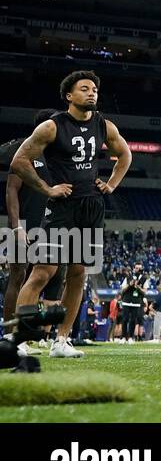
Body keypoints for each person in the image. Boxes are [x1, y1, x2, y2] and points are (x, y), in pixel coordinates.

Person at [12, 71, 133, 359]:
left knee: (78, 274)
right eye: (84, 89)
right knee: (43, 272)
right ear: (69, 96)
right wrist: (47, 188)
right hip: (62, 207)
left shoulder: (104, 125)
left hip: (90, 206)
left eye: (94, 89)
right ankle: (20, 339)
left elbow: (125, 155)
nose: (92, 93)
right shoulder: (52, 127)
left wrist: (112, 184)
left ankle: (61, 341)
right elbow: (19, 161)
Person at [2, 109, 58, 322]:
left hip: (50, 226)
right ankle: (9, 335)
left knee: (39, 279)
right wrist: (16, 227)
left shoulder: (57, 157)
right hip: (24, 224)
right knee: (17, 276)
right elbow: (11, 189)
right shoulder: (25, 150)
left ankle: (28, 334)